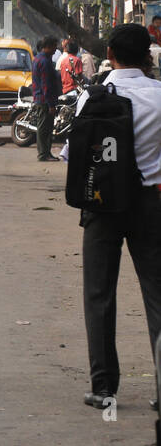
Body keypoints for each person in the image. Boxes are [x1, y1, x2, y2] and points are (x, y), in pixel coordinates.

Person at [72, 24, 161, 410]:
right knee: (157, 295)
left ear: (109, 53)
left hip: (102, 203)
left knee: (99, 294)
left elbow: (72, 156)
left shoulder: (90, 98)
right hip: (151, 205)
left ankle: (104, 387)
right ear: (147, 55)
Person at [30, 35, 60, 162]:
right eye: (54, 46)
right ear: (48, 46)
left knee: (45, 128)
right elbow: (46, 85)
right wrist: (51, 104)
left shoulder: (38, 59)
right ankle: (43, 154)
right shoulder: (45, 62)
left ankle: (45, 153)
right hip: (44, 100)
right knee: (44, 128)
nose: (55, 49)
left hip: (40, 98)